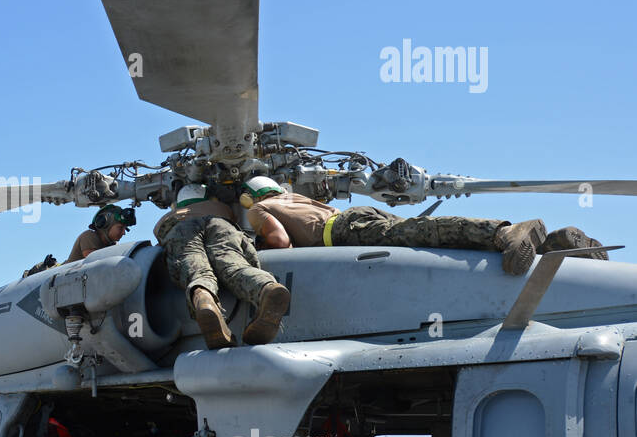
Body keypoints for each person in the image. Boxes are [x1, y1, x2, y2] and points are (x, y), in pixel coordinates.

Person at [238, 176, 602, 273]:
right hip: (351, 221)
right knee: (425, 242)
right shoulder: (293, 198)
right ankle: (552, 245)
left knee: (423, 234)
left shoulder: (260, 208)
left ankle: (504, 232)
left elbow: (280, 242)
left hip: (345, 233)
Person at [154, 184, 290, 349]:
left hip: (182, 231)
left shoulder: (173, 217)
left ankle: (204, 298)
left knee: (196, 272)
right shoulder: (220, 211)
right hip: (221, 225)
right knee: (235, 268)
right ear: (212, 200)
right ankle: (266, 288)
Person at [64, 204, 135, 263]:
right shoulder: (89, 236)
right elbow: (93, 262)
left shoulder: (112, 245)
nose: (123, 233)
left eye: (125, 228)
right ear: (105, 224)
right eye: (120, 228)